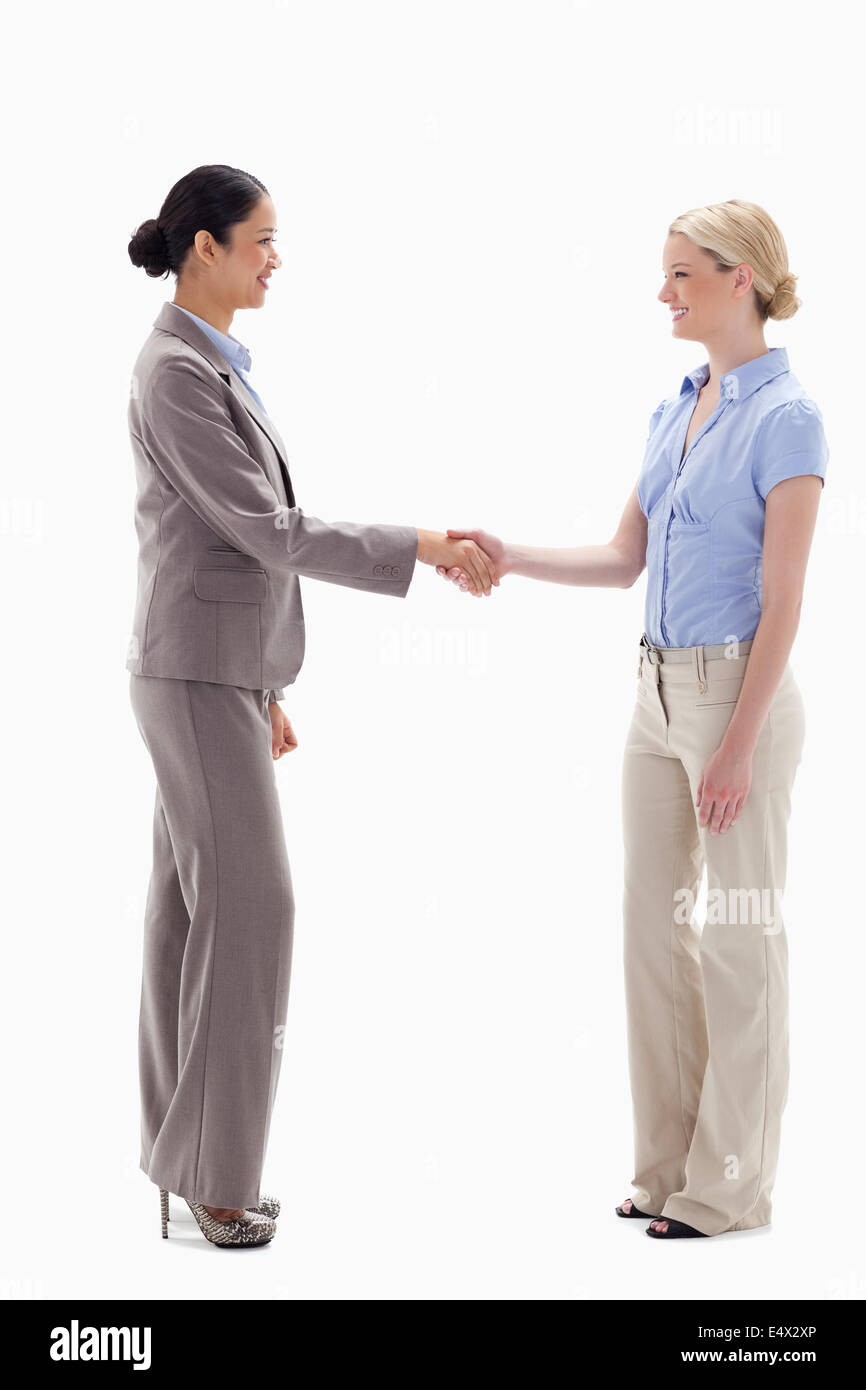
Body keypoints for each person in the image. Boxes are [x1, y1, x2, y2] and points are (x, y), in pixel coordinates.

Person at [436, 199, 828, 1238]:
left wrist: (736, 742)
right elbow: (623, 559)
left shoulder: (787, 417)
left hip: (734, 695)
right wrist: (508, 554)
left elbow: (784, 598)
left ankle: (730, 1186)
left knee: (740, 940)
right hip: (653, 698)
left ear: (738, 277)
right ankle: (665, 1171)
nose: (662, 292)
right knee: (650, 936)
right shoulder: (675, 409)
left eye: (681, 274)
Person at [126, 163, 499, 1248]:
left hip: (210, 669)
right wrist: (420, 547)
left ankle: (189, 1160)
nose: (276, 259)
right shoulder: (175, 375)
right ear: (206, 247)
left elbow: (227, 542)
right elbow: (266, 531)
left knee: (190, 913)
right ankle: (217, 1174)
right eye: (262, 240)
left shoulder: (209, 365)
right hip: (191, 671)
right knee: (252, 909)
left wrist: (264, 683)